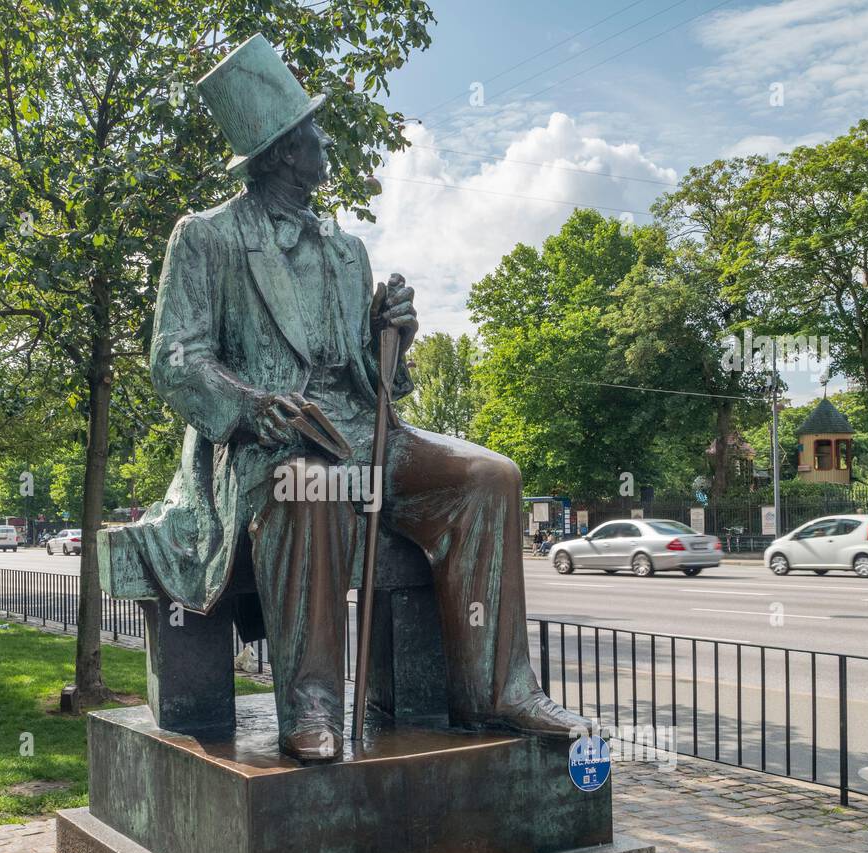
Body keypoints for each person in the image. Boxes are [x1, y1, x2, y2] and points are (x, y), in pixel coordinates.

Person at [104, 35, 593, 761]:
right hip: (267, 444)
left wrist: (391, 335)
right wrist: (250, 404)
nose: (323, 139)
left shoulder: (345, 249)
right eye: (309, 131)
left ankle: (497, 690)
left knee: (492, 477)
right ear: (278, 152)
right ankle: (313, 703)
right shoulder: (206, 238)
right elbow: (175, 361)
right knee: (312, 484)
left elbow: (375, 382)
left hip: (365, 432)